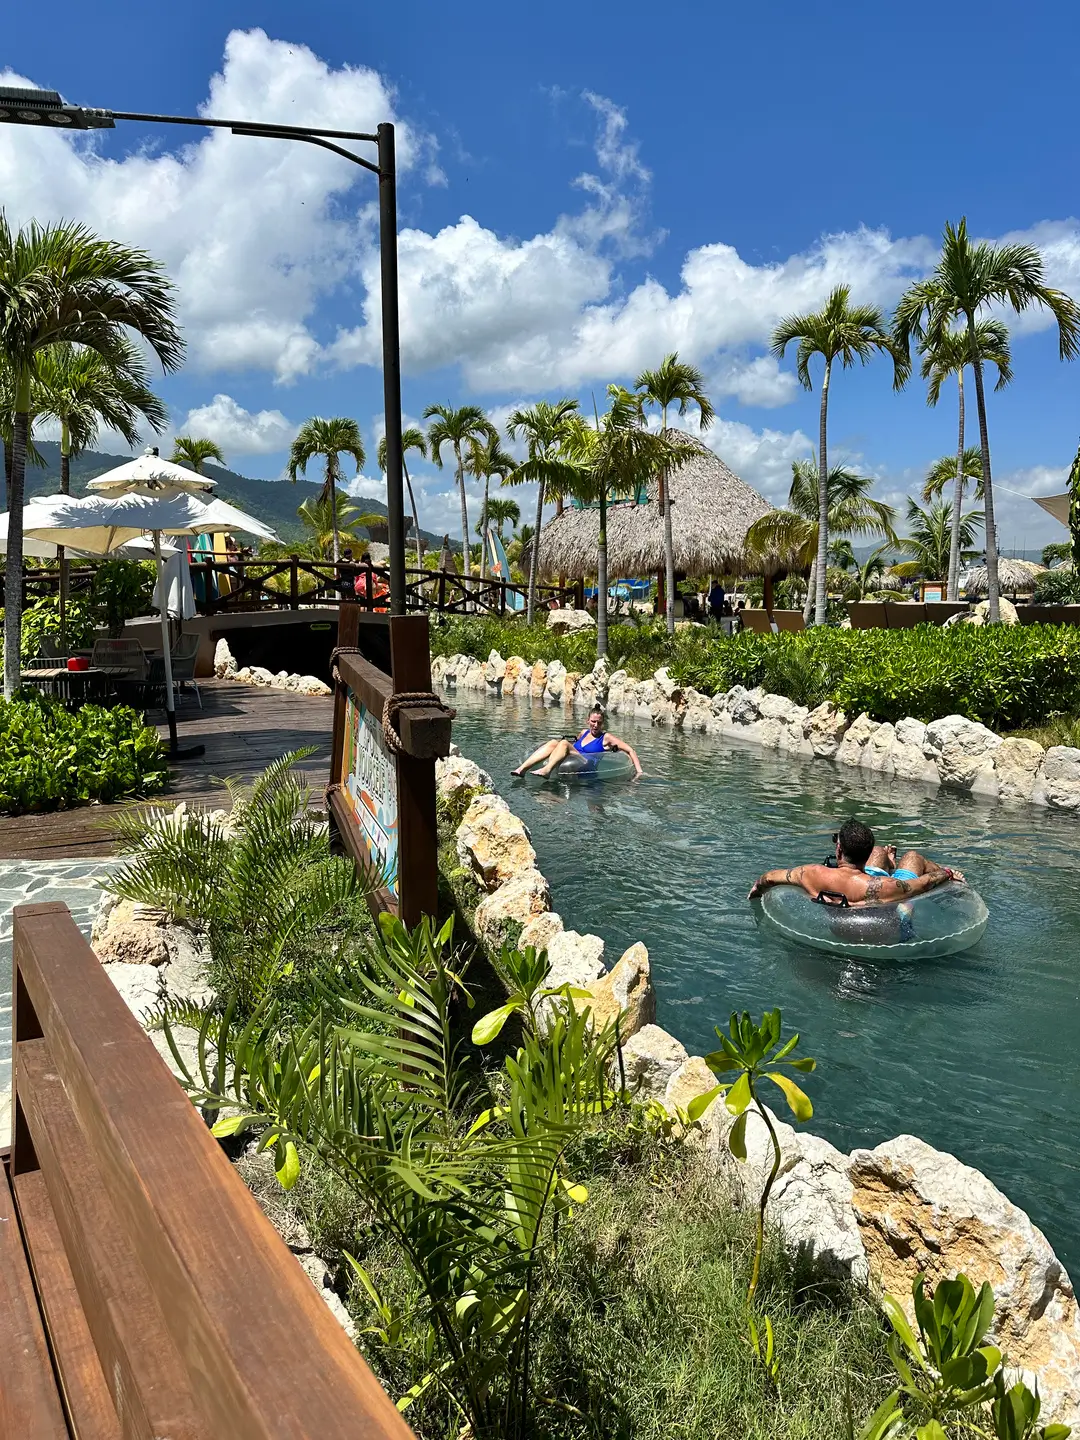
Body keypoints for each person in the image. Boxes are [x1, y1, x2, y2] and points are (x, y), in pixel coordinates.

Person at [747, 817, 963, 903]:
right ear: (865, 855)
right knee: (913, 857)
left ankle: (888, 862)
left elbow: (769, 878)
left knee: (882, 852)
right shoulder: (887, 888)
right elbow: (925, 883)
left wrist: (757, 889)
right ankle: (893, 863)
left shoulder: (811, 874)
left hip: (841, 919)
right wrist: (947, 873)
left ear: (838, 848)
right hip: (886, 920)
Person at [512, 705, 643, 779]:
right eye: (593, 722)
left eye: (599, 722)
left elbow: (630, 750)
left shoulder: (606, 737)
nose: (596, 725)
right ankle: (522, 769)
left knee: (563, 743)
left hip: (586, 764)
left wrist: (639, 772)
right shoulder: (583, 732)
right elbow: (574, 743)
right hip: (573, 759)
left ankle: (547, 770)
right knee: (553, 742)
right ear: (588, 721)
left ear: (603, 723)